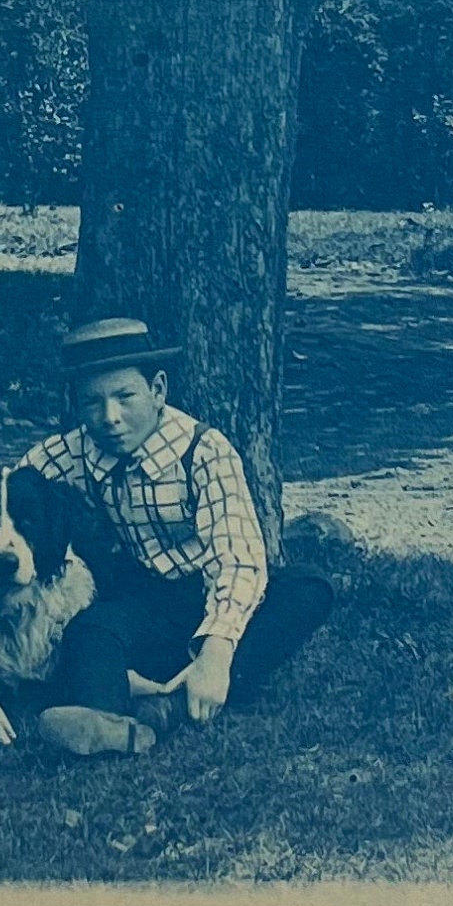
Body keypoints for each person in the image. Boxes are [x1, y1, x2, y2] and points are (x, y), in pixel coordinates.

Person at [23, 316, 334, 757]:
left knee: (308, 588)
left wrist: (217, 651)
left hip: (205, 595)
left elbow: (237, 558)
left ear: (158, 389)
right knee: (90, 630)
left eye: (125, 397)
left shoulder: (203, 450)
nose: (110, 417)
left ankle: (166, 708)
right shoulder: (69, 452)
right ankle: (102, 720)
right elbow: (3, 494)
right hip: (139, 605)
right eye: (92, 402)